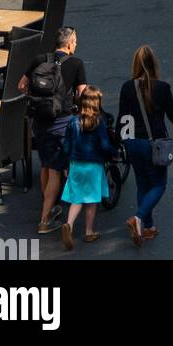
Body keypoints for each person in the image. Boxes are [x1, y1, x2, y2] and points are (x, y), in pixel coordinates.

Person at [19, 24, 87, 234]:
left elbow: (21, 86)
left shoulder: (40, 60)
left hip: (39, 121)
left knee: (46, 165)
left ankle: (49, 204)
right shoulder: (76, 63)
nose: (76, 44)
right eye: (75, 41)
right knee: (56, 170)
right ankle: (45, 220)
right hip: (61, 122)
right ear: (68, 43)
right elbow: (82, 94)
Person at [117, 45, 173, 247]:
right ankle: (138, 218)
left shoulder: (127, 87)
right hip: (154, 144)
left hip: (133, 143)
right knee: (159, 184)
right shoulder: (162, 88)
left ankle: (148, 227)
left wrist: (119, 141)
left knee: (142, 184)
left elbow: (122, 117)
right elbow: (172, 112)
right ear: (154, 64)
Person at [60, 88, 117, 250]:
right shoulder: (99, 122)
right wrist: (115, 153)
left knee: (77, 199)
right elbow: (105, 145)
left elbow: (67, 146)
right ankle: (89, 231)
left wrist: (65, 164)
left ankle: (68, 225)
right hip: (93, 166)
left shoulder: (73, 121)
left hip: (76, 165)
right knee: (91, 200)